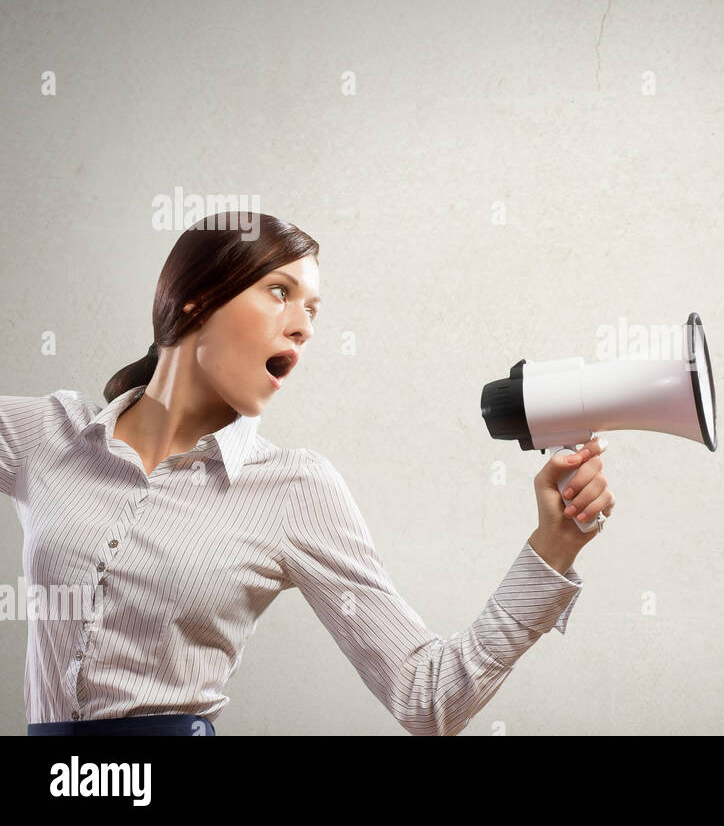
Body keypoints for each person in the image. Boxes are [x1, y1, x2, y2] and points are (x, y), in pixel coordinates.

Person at [0, 212, 615, 735]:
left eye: (313, 310)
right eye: (279, 291)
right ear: (195, 301)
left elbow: (428, 696)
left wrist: (554, 546)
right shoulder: (48, 435)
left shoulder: (296, 491)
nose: (304, 325)